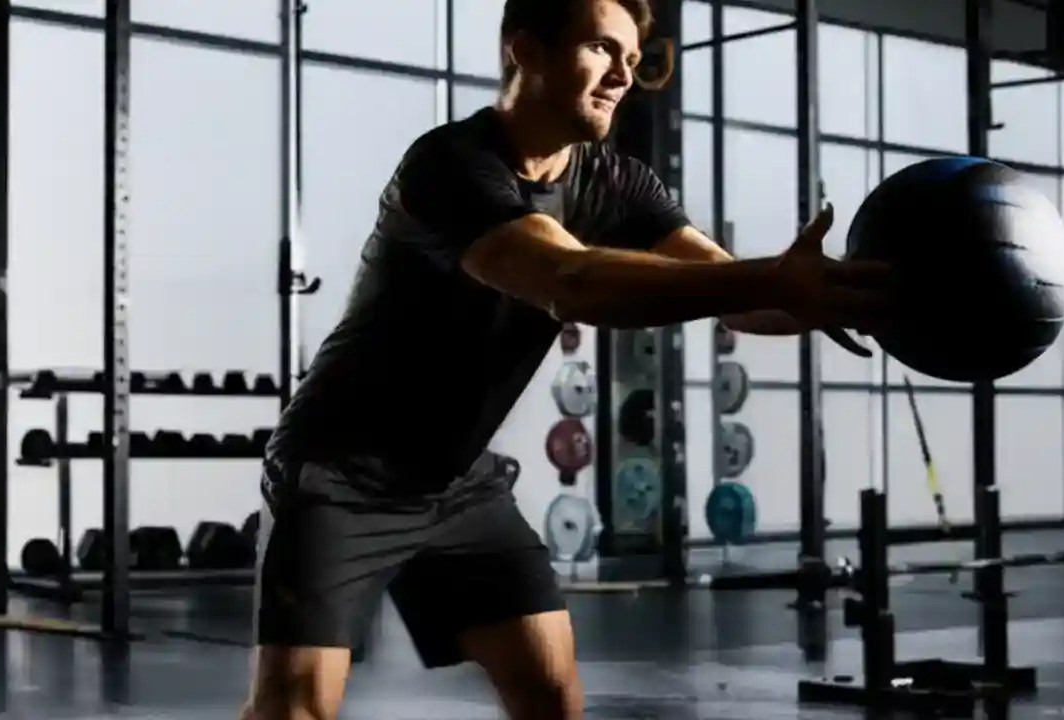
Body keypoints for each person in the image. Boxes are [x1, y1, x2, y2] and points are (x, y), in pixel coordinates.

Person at [241, 0, 891, 718]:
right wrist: (773, 279)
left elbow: (732, 295)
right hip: (342, 468)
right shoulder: (450, 166)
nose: (623, 74)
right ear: (528, 51)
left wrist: (839, 299)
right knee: (293, 709)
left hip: (458, 481)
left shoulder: (617, 183)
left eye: (632, 60)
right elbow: (566, 279)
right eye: (601, 50)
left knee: (550, 693)